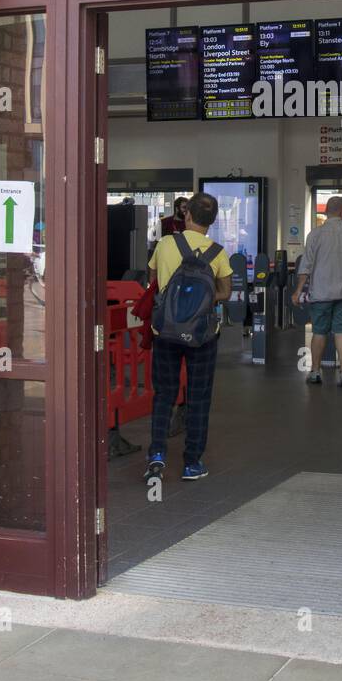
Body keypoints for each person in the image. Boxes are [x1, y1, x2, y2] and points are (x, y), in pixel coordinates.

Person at [144, 192, 232, 482]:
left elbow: (154, 279)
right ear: (213, 221)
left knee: (164, 394)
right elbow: (225, 292)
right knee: (198, 397)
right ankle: (192, 462)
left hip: (166, 332)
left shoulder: (166, 244)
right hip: (203, 335)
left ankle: (157, 454)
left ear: (187, 215)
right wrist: (203, 303)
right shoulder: (217, 252)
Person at [292, 195, 342, 389]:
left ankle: (315, 372)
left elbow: (306, 266)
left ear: (326, 211)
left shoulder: (315, 234)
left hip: (321, 292)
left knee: (319, 332)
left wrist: (297, 291)